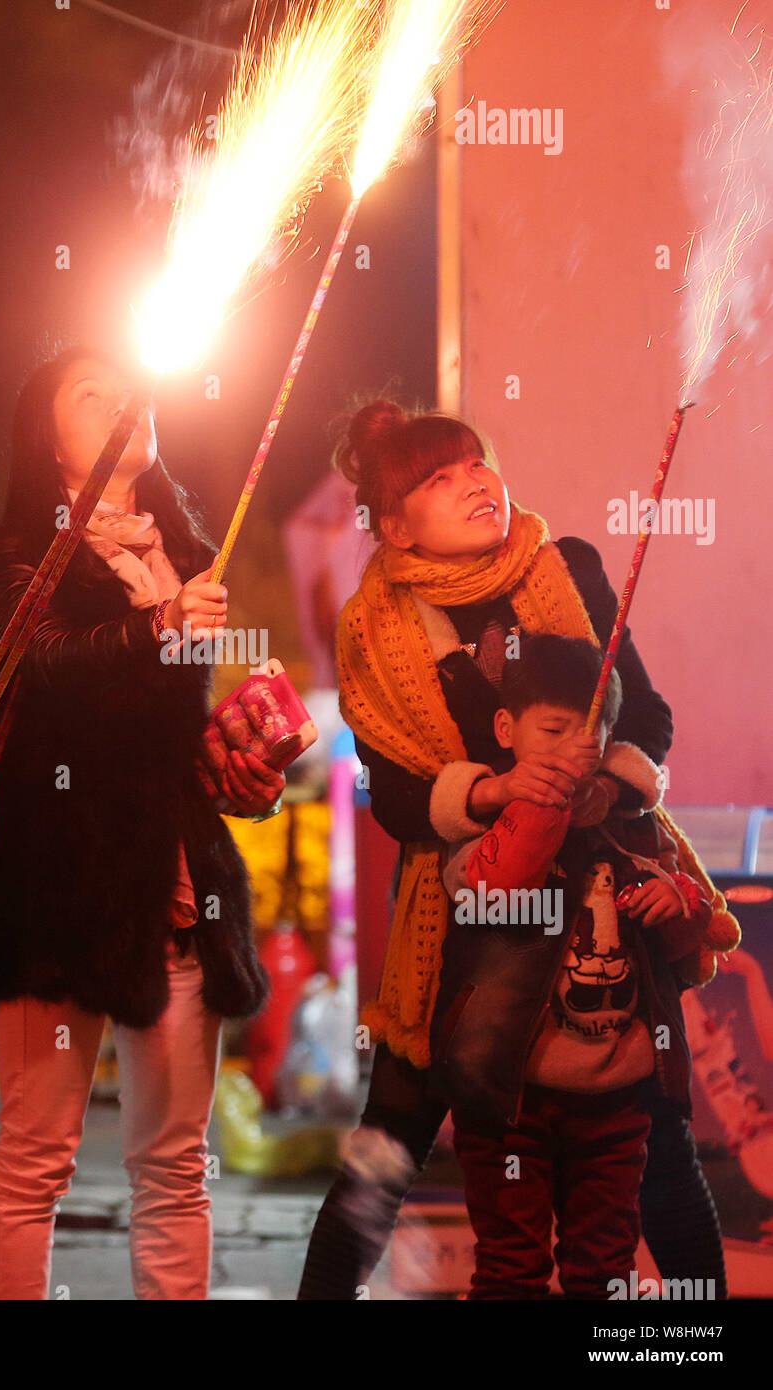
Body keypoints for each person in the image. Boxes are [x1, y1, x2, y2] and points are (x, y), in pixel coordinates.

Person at [297, 402, 740, 1299]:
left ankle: (698, 1344)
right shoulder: (373, 627)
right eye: (439, 478)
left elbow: (646, 719)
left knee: (656, 1150)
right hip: (468, 922)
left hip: (601, 900)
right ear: (392, 524)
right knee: (388, 1148)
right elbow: (395, 799)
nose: (474, 485)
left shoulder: (564, 566)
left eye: (478, 465)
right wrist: (496, 793)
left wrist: (600, 790)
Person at [0, 345, 284, 1300]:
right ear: (43, 440)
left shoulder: (183, 550)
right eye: (86, 393)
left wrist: (235, 769)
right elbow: (41, 658)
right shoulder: (9, 553)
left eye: (126, 386)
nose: (119, 400)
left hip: (177, 887)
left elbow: (166, 737)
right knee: (34, 1161)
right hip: (59, 886)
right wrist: (161, 623)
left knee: (176, 1168)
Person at [432, 633, 711, 1298]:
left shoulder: (634, 827)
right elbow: (500, 888)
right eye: (554, 730)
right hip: (510, 1101)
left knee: (603, 1269)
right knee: (510, 1268)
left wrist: (679, 903)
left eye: (594, 733)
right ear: (507, 728)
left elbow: (691, 949)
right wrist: (542, 800)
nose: (575, 749)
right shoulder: (480, 831)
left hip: (616, 1105)